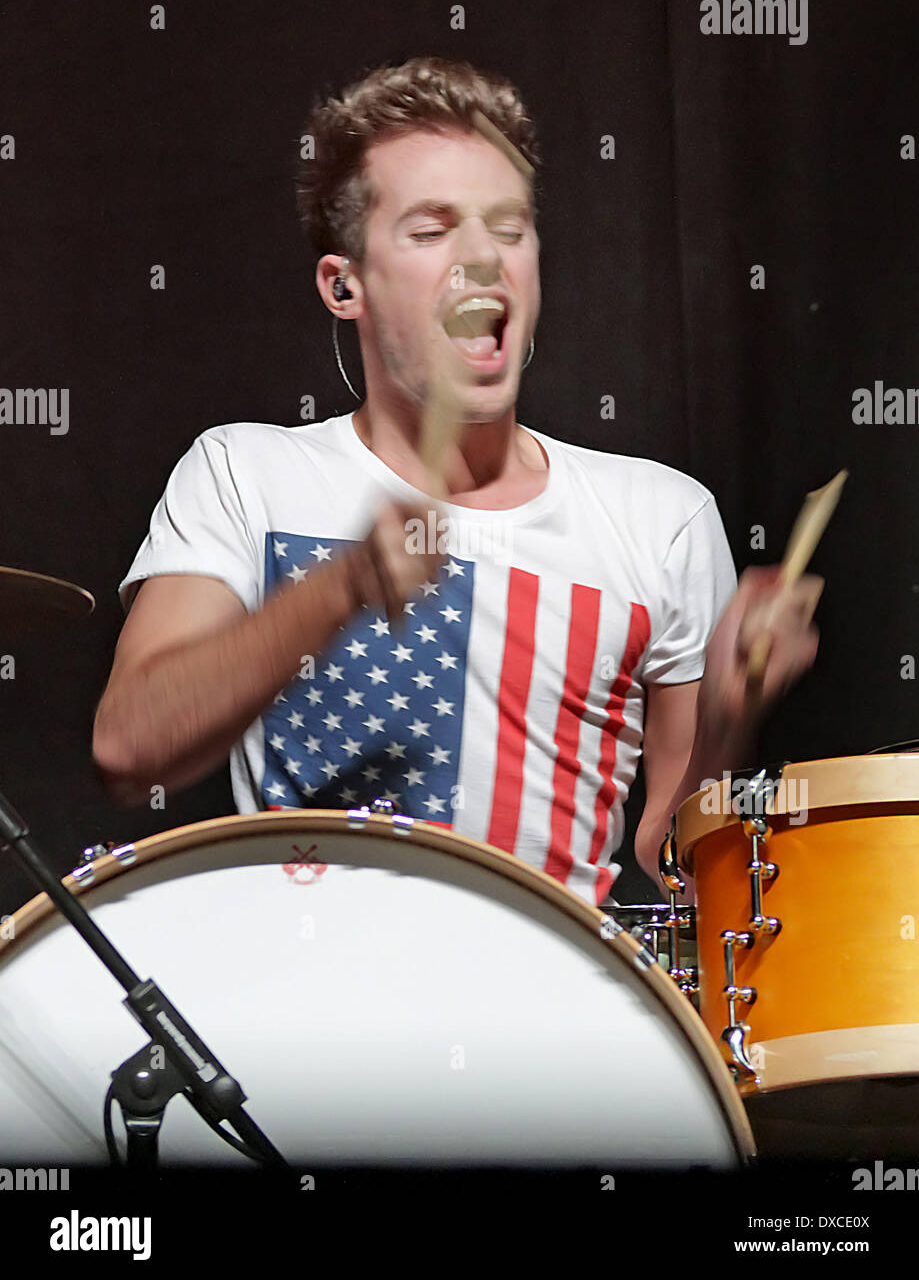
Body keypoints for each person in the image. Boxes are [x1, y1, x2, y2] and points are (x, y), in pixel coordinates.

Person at [92, 56, 821, 906]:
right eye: (431, 230)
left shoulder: (660, 515)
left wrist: (730, 722)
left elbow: (677, 871)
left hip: (556, 1017)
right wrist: (340, 588)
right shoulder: (245, 473)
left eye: (507, 228)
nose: (481, 259)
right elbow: (130, 746)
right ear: (344, 284)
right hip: (307, 1005)